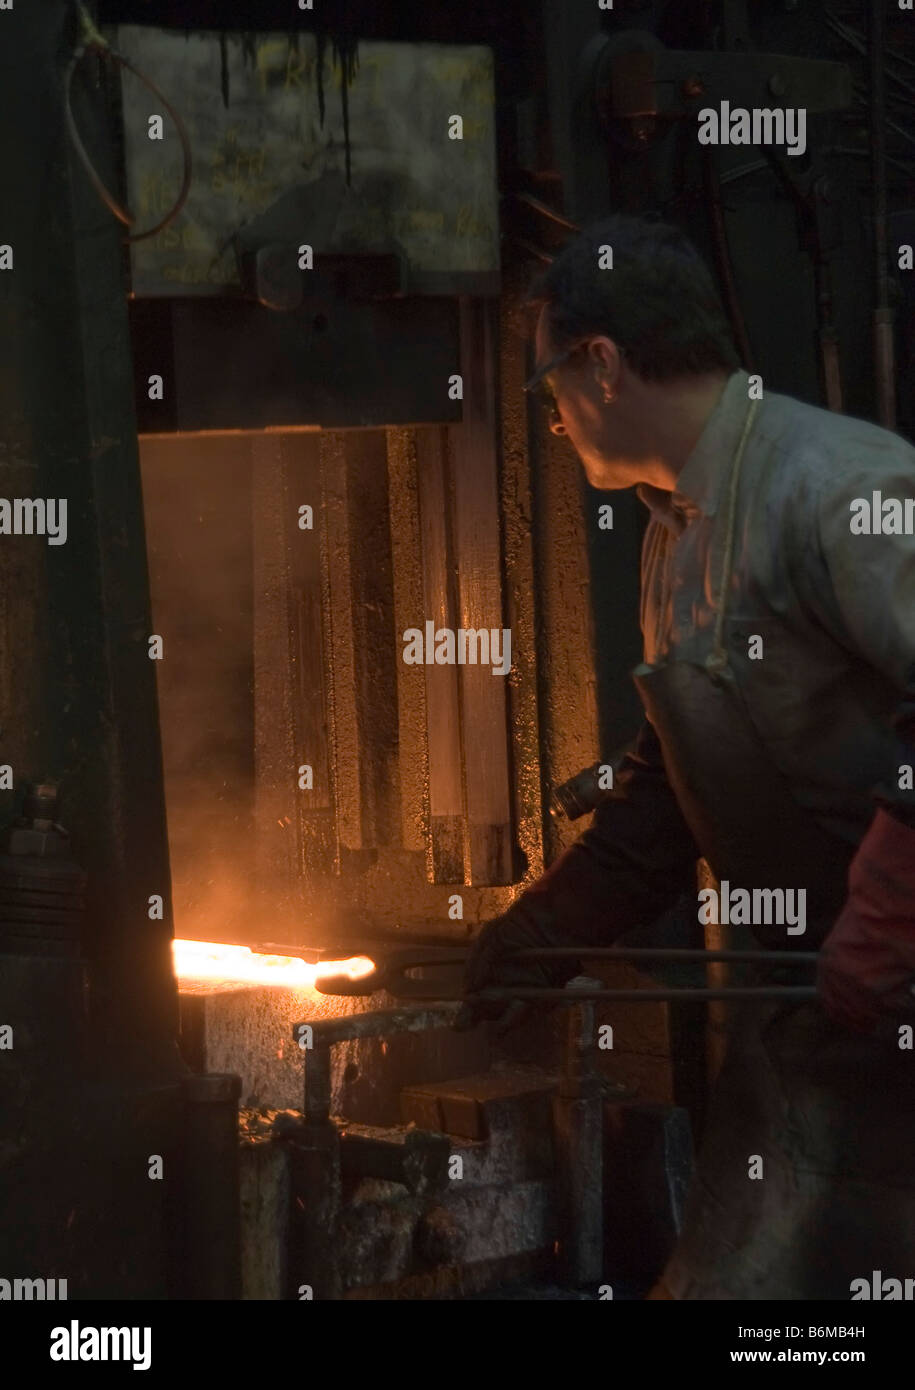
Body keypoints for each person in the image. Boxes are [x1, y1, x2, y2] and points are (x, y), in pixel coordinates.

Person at [456, 215, 915, 1300]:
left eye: (548, 388)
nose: (555, 421)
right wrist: (546, 930)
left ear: (601, 364)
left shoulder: (839, 487)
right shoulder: (675, 537)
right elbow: (681, 783)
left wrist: (886, 918)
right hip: (821, 1018)